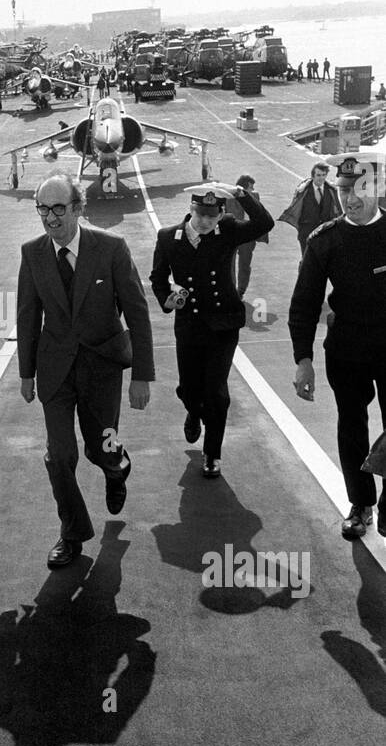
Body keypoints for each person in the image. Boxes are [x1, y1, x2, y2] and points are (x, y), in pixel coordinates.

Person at [17, 172, 154, 568]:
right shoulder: (33, 253)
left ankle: (116, 468)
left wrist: (141, 375)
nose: (50, 217)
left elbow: (138, 313)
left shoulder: (110, 248)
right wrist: (27, 374)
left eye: (59, 208)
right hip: (55, 371)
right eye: (43, 209)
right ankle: (72, 532)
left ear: (78, 208)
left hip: (102, 369)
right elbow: (28, 316)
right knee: (59, 456)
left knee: (101, 448)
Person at [289, 156, 386, 539]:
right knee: (352, 427)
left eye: (359, 190)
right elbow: (305, 303)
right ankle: (361, 504)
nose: (350, 198)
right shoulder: (326, 240)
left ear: (377, 189)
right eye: (345, 190)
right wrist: (303, 360)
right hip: (347, 350)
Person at [149, 182, 274, 478]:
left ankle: (212, 454)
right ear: (191, 210)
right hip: (189, 323)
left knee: (216, 391)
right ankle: (194, 410)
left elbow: (264, 223)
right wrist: (165, 298)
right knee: (188, 388)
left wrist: (241, 194)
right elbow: (157, 276)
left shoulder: (228, 229)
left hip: (223, 323)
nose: (205, 222)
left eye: (212, 216)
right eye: (200, 214)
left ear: (220, 214)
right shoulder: (169, 237)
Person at [278, 162, 342, 256]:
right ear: (313, 176)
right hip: (306, 232)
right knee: (306, 261)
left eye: (324, 175)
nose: (321, 178)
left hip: (325, 233)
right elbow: (296, 207)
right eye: (318, 175)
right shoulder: (303, 190)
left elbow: (338, 209)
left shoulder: (331, 190)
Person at [226, 174, 269, 297]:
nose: (253, 190)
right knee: (230, 264)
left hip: (248, 236)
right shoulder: (229, 197)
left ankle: (241, 290)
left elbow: (260, 213)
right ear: (243, 188)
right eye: (251, 187)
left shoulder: (255, 196)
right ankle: (232, 290)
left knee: (245, 264)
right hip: (233, 235)